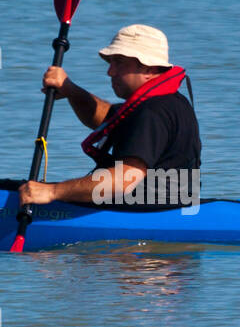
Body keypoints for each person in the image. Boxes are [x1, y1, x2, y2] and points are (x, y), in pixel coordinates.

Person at [17, 24, 201, 208]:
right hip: (168, 205)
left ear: (149, 69)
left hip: (149, 212)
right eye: (110, 62)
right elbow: (105, 118)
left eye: (119, 62)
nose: (110, 72)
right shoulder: (169, 102)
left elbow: (125, 180)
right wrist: (70, 89)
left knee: (4, 191)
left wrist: (52, 192)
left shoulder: (152, 111)